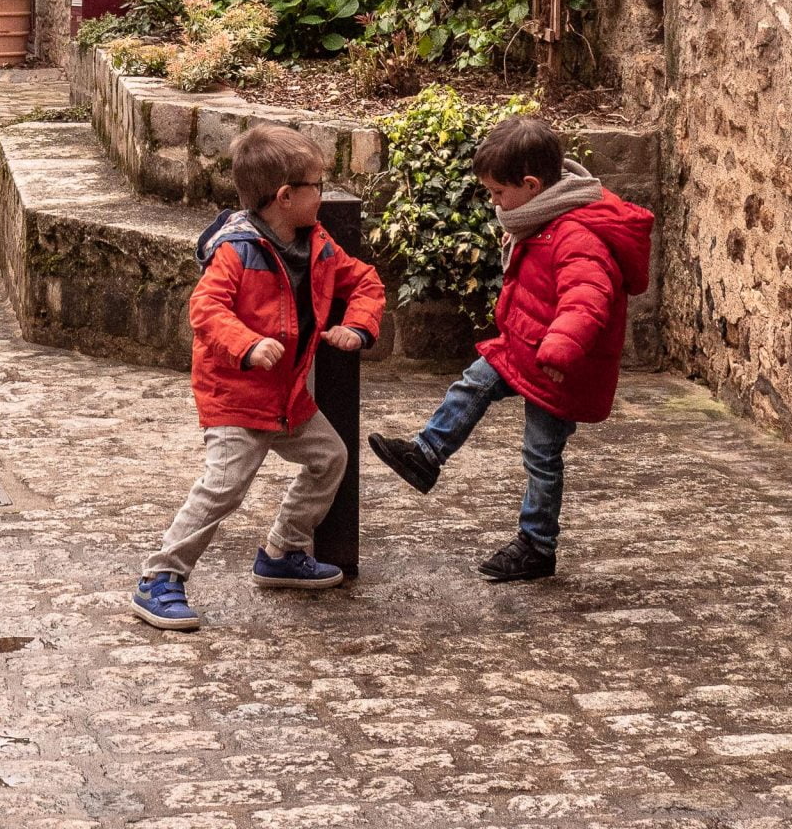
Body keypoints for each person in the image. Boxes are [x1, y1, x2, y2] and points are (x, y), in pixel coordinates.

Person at [369, 111, 653, 583]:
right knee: (472, 385)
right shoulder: (542, 215)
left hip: (560, 364)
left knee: (541, 454)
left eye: (499, 193)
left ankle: (536, 545)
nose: (494, 202)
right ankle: (426, 455)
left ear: (531, 184)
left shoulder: (576, 233)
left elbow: (588, 297)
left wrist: (562, 349)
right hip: (524, 344)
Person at [134, 123, 386, 632]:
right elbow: (205, 309)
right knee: (223, 489)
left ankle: (283, 551)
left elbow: (364, 279)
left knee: (329, 458)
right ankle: (160, 578)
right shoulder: (237, 250)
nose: (324, 192)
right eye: (317, 185)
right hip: (237, 398)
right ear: (286, 196)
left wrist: (358, 327)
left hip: (288, 398)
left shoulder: (317, 243)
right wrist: (247, 345)